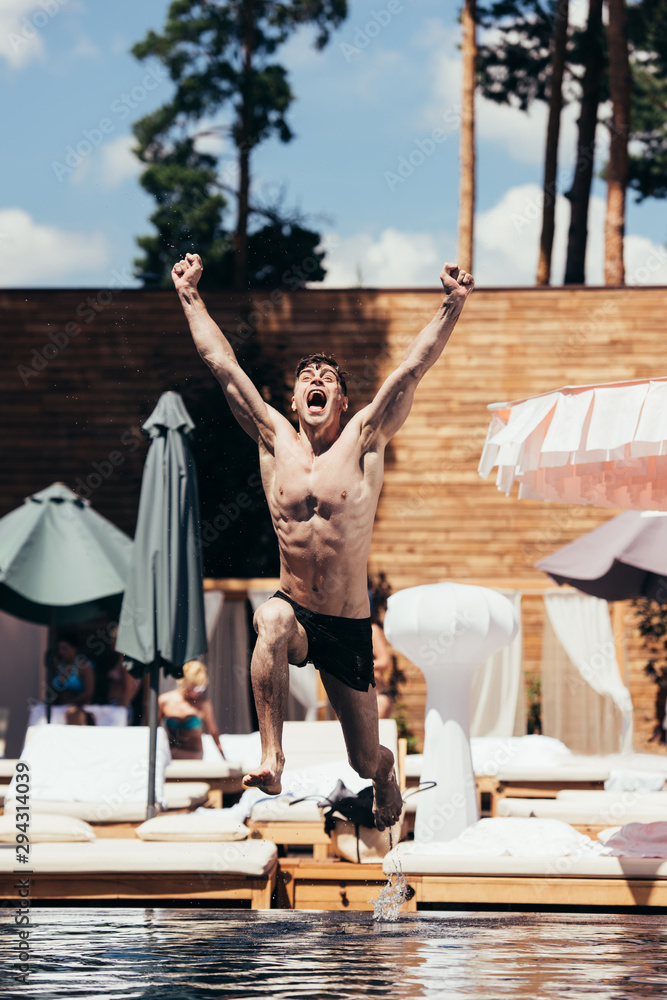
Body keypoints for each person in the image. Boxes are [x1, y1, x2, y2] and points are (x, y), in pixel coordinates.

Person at [172, 251, 474, 830]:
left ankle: (387, 775)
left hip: (348, 625)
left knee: (365, 759)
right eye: (306, 378)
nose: (316, 381)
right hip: (297, 611)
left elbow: (410, 369)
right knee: (272, 620)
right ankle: (272, 756)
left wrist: (451, 303)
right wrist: (188, 293)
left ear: (341, 400)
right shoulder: (272, 438)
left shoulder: (364, 438)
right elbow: (222, 364)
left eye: (328, 379)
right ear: (292, 401)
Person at [158, 660, 226, 760]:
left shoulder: (203, 704)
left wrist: (224, 758)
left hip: (194, 754)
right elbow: (153, 730)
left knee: (166, 755)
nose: (199, 691)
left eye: (202, 687)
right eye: (196, 687)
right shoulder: (164, 701)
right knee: (164, 755)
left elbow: (213, 732)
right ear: (185, 684)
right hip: (171, 754)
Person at [50, 631, 96, 725]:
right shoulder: (59, 665)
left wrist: (70, 703)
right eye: (59, 648)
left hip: (80, 711)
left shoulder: (84, 666)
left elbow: (88, 692)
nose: (61, 652)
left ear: (74, 649)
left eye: (64, 648)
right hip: (61, 711)